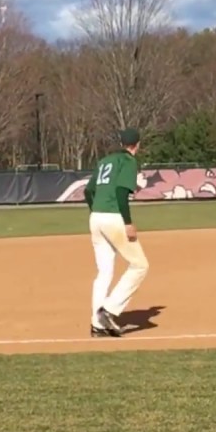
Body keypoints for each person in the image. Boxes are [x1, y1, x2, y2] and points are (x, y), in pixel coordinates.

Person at [83, 128, 150, 338]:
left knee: (104, 272)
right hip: (113, 218)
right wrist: (128, 222)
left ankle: (97, 324)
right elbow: (122, 191)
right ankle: (109, 310)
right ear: (137, 144)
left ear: (122, 142)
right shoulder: (128, 161)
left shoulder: (105, 161)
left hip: (96, 218)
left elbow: (88, 191)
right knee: (140, 265)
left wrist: (96, 210)